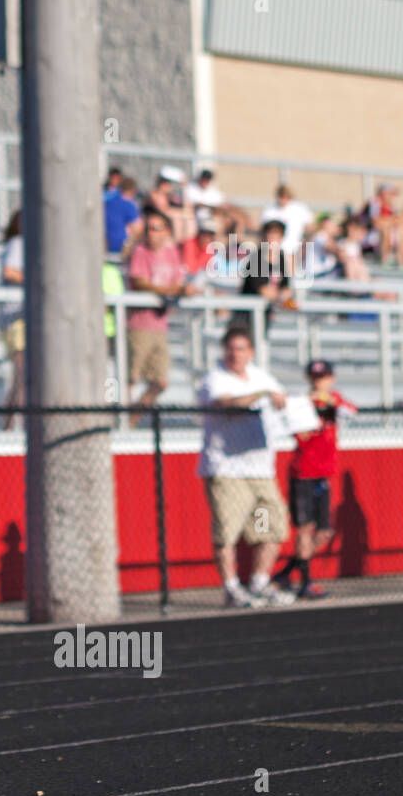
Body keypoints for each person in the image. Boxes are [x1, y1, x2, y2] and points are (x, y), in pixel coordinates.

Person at [196, 326, 295, 609]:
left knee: (269, 527)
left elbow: (283, 402)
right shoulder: (215, 379)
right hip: (227, 471)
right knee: (227, 530)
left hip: (260, 471)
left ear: (250, 352)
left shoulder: (261, 376)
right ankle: (231, 588)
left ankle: (259, 582)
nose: (235, 354)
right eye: (231, 348)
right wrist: (260, 394)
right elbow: (226, 403)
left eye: (241, 349)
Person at [273, 359, 357, 601]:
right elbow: (298, 434)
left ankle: (286, 573)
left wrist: (331, 403)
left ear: (331, 379)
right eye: (315, 378)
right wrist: (310, 411)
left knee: (324, 532)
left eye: (323, 378)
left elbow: (352, 412)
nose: (318, 382)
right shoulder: (301, 403)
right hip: (304, 473)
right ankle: (306, 582)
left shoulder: (334, 400)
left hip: (324, 473)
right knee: (305, 528)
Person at [125, 206, 197, 424]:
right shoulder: (140, 252)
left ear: (167, 231)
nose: (151, 233)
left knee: (160, 382)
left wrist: (182, 290)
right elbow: (139, 282)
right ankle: (119, 424)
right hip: (138, 325)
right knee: (129, 379)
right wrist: (171, 290)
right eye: (148, 229)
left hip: (159, 324)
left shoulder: (171, 253)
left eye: (156, 228)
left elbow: (177, 282)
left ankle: (130, 421)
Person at [235, 218, 294, 337]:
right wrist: (281, 297)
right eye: (269, 236)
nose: (271, 241)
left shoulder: (281, 258)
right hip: (248, 315)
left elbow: (285, 287)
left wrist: (283, 295)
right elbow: (262, 290)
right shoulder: (256, 259)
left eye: (276, 237)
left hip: (266, 313)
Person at [0, 212, 24, 426]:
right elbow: (10, 272)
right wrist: (33, 278)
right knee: (21, 376)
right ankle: (9, 425)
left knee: (22, 377)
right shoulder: (17, 243)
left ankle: (11, 424)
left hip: (22, 318)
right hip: (15, 319)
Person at [263, 183, 313, 262]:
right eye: (281, 196)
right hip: (275, 251)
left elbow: (310, 227)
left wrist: (304, 245)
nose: (283, 199)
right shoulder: (270, 209)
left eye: (285, 196)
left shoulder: (300, 209)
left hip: (295, 250)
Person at [104, 175, 141, 254]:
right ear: (133, 191)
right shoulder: (130, 205)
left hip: (105, 243)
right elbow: (136, 228)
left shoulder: (108, 202)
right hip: (120, 247)